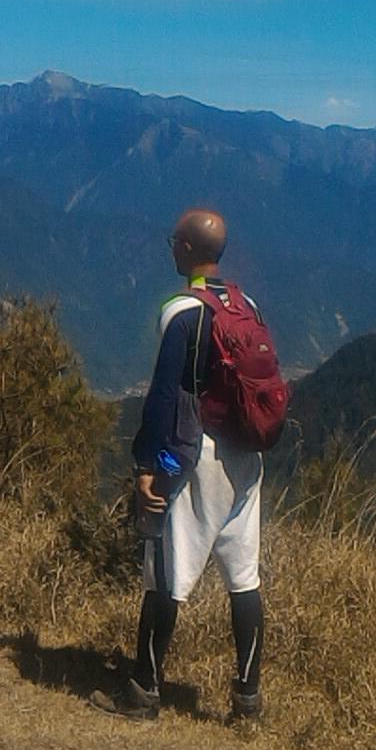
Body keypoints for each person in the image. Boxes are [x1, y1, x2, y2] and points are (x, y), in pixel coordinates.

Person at [132, 208, 273, 720]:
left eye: (174, 241)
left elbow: (165, 398)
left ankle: (144, 691)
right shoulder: (247, 304)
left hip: (193, 455)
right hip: (247, 458)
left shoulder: (180, 310)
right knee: (244, 578)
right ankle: (247, 700)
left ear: (188, 250)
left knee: (167, 572)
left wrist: (151, 464)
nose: (171, 248)